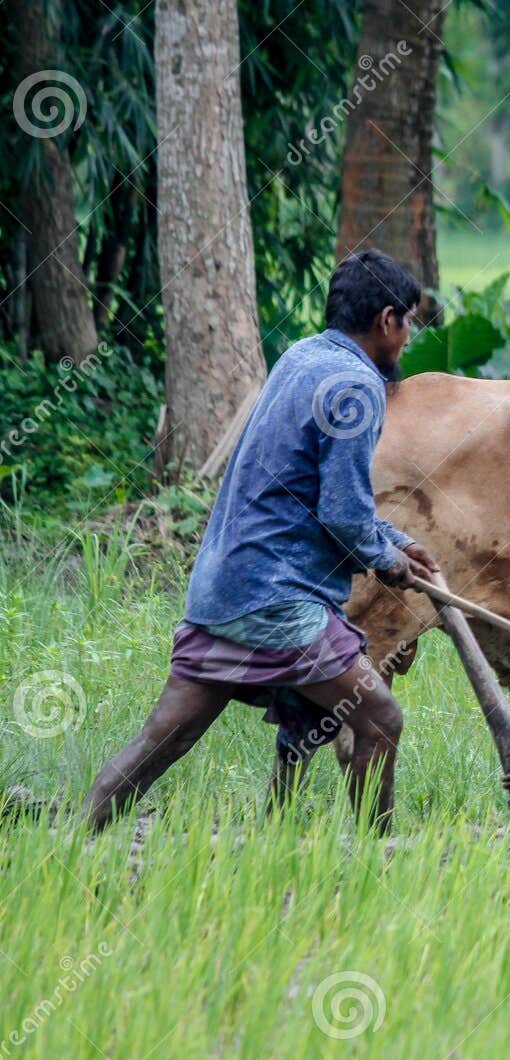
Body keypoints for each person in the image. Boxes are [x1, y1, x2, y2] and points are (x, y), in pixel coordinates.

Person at [84, 250, 437, 832]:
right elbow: (343, 514)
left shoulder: (303, 357)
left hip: (223, 588)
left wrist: (395, 539)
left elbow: (308, 489)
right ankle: (380, 859)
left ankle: (79, 835)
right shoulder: (356, 385)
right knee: (378, 718)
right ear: (388, 319)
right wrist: (387, 561)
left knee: (161, 740)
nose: (407, 341)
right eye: (409, 324)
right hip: (279, 600)